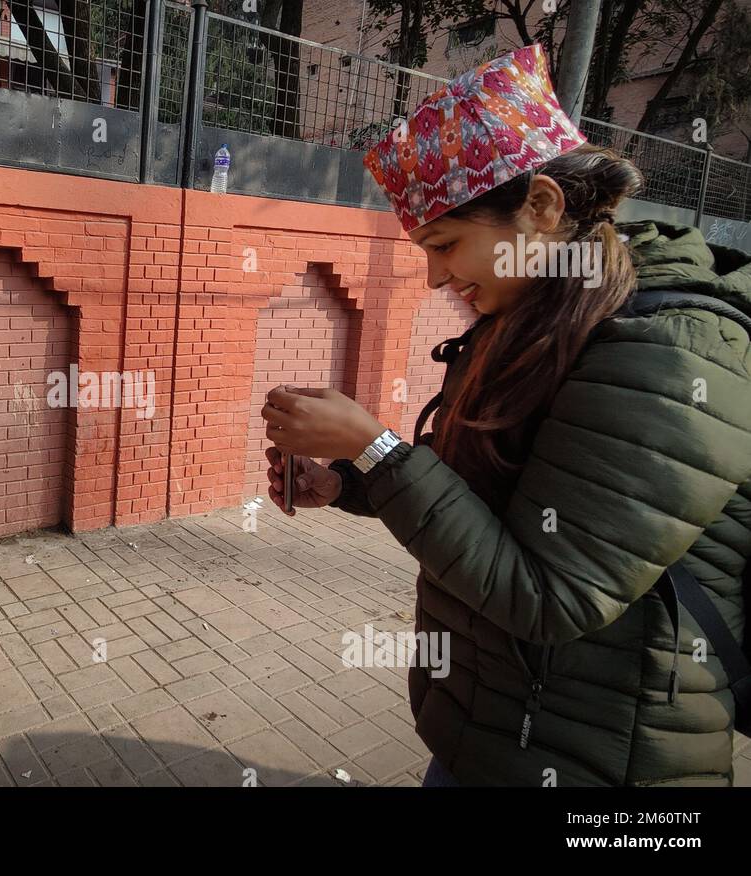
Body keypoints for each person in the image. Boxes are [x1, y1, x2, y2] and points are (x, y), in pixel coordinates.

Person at [261, 45, 751, 786]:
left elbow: (550, 595)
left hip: (602, 761)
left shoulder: (667, 353)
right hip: (490, 732)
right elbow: (493, 500)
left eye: (447, 244)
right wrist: (352, 478)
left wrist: (380, 448)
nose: (434, 274)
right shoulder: (534, 317)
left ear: (544, 207)